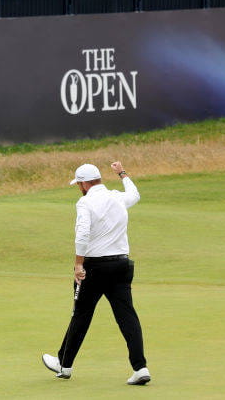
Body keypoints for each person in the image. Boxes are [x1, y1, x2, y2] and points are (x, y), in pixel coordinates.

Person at [42, 161, 150, 386]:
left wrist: (78, 265)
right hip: (121, 265)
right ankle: (140, 368)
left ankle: (64, 364)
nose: (78, 187)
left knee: (81, 314)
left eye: (78, 184)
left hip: (94, 267)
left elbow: (82, 235)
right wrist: (121, 173)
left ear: (83, 183)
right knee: (127, 316)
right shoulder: (117, 197)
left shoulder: (85, 202)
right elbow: (135, 194)